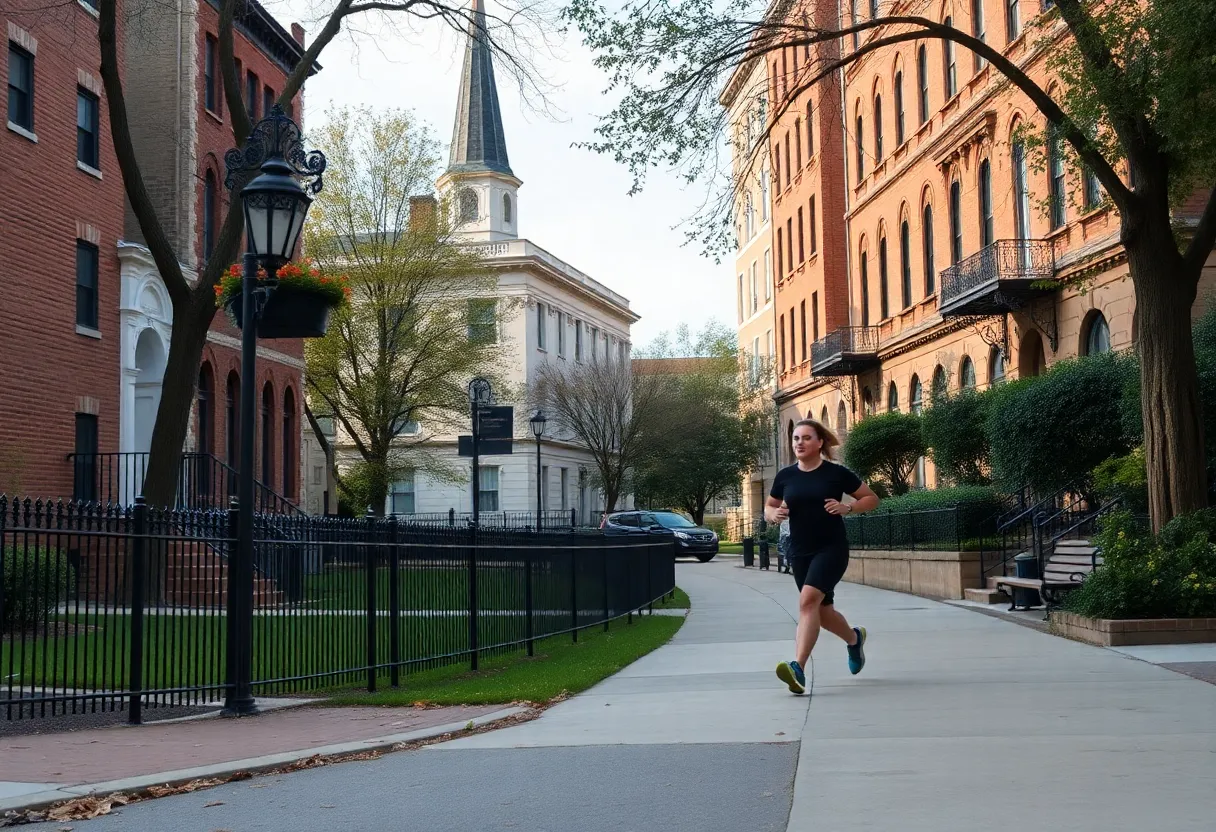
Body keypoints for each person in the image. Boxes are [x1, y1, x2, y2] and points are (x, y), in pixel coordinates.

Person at [765, 419, 880, 696]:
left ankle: (798, 668)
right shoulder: (785, 476)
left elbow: (871, 498)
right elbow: (769, 506)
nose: (799, 443)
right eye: (795, 439)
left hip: (831, 549)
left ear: (820, 443)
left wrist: (847, 507)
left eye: (806, 438)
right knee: (822, 612)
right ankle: (854, 639)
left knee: (807, 602)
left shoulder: (836, 474)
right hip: (799, 550)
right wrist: (774, 514)